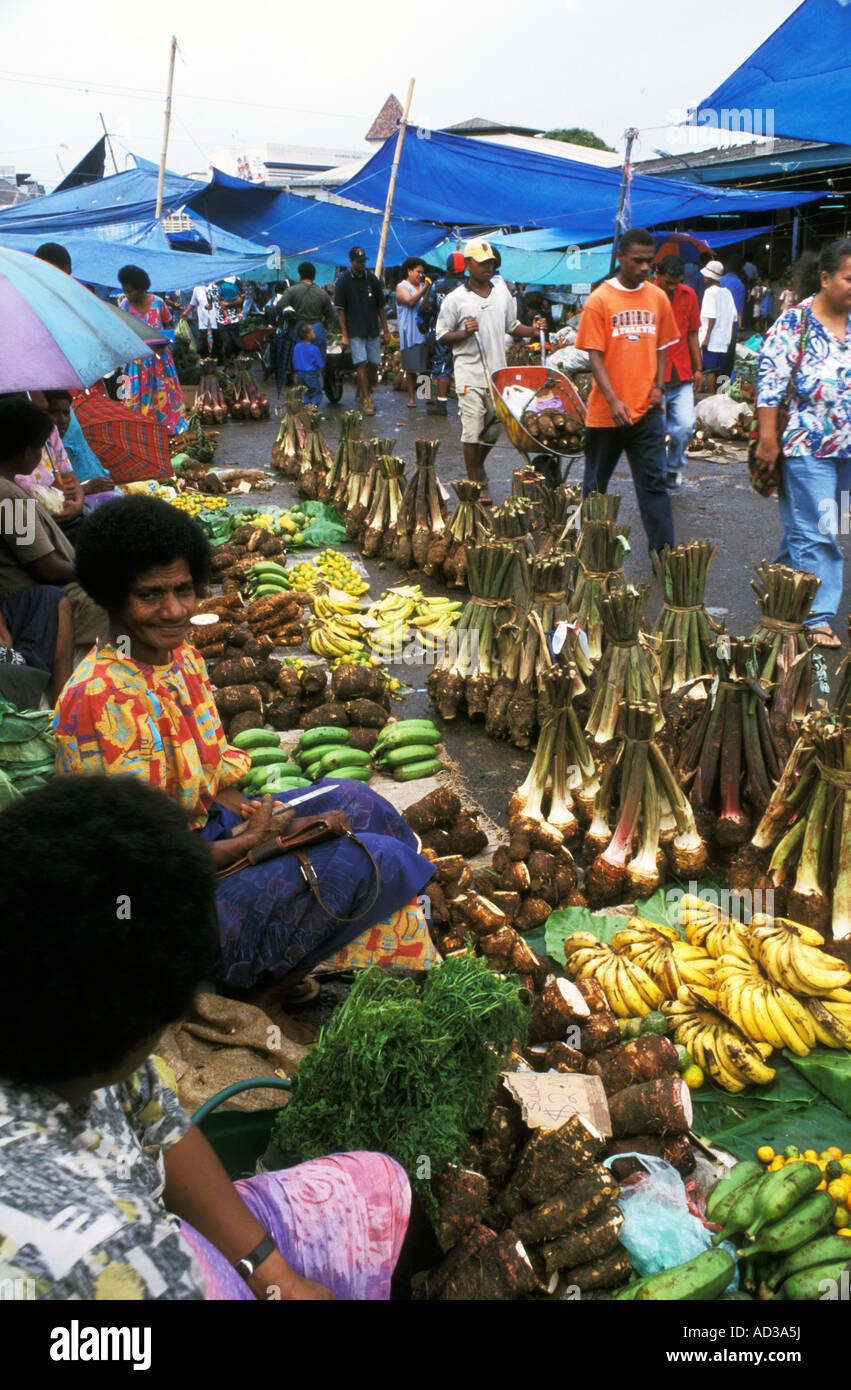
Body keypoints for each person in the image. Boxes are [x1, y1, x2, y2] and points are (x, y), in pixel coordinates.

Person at [0, 773, 411, 1300]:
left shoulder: (69, 1036)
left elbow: (159, 1124)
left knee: (379, 1182)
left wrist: (275, 1277)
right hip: (143, 1251)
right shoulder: (118, 1261)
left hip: (149, 1223)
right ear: (158, 1021)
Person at [53, 497, 438, 1016]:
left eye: (183, 589)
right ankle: (263, 998)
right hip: (157, 908)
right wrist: (254, 843)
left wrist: (247, 813)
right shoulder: (96, 698)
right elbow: (135, 869)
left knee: (359, 801)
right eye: (150, 595)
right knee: (371, 861)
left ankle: (306, 954)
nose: (174, 610)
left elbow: (211, 775)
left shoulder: (181, 657)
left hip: (207, 839)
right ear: (111, 597)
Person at [756, 240, 851, 649]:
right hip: (806, 444)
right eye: (849, 277)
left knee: (820, 526)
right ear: (826, 278)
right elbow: (770, 386)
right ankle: (817, 615)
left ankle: (778, 583)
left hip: (847, 448)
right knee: (820, 531)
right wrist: (766, 439)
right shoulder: (795, 323)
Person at [575, 227, 679, 553]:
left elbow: (663, 346)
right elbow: (595, 355)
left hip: (647, 411)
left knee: (654, 486)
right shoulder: (600, 300)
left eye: (649, 261)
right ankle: (589, 553)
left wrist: (659, 386)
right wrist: (612, 399)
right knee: (594, 488)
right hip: (607, 414)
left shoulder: (658, 297)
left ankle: (664, 559)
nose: (645, 267)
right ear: (621, 257)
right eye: (638, 261)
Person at [435, 238, 546, 500]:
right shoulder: (455, 299)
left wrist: (532, 330)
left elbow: (512, 325)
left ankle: (477, 466)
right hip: (469, 372)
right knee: (472, 429)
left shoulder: (502, 292)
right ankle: (475, 484)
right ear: (469, 265)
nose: (488, 267)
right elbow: (441, 335)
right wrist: (463, 332)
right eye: (482, 263)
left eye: (491, 263)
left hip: (498, 373)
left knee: (496, 426)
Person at [0, 398, 107, 662]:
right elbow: (45, 568)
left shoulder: (10, 490)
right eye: (38, 448)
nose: (40, 456)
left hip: (42, 590)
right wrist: (100, 572)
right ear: (26, 452)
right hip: (33, 599)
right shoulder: (9, 498)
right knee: (122, 608)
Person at [118, 265, 186, 435]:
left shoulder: (158, 302)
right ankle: (140, 432)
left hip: (160, 361)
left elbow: (169, 325)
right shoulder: (125, 306)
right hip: (135, 362)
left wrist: (164, 338)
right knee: (134, 397)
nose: (128, 295)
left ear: (141, 288)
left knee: (163, 395)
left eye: (131, 291)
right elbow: (121, 332)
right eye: (125, 291)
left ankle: (166, 430)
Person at [655, 254, 702, 493]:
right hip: (654, 377)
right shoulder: (647, 295)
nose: (673, 287)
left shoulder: (689, 295)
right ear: (658, 275)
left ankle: (673, 468)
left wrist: (698, 368)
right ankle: (655, 473)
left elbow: (693, 333)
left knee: (684, 426)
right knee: (655, 430)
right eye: (668, 282)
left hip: (682, 372)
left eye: (677, 282)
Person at [334, 247, 391, 416]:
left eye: (364, 261)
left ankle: (365, 390)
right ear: (351, 262)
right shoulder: (343, 280)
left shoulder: (372, 279)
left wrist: (386, 330)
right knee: (361, 364)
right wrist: (344, 335)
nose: (362, 264)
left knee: (374, 364)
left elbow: (381, 307)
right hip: (355, 330)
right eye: (359, 262)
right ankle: (367, 399)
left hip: (372, 329)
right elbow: (341, 310)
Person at [42, 390, 121, 511]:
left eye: (66, 413)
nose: (62, 420)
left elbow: (69, 476)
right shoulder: (34, 448)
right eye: (53, 412)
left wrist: (78, 503)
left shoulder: (55, 441)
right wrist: (86, 489)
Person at [427, 251, 465, 416]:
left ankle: (441, 403)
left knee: (443, 366)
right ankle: (465, 405)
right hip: (465, 332)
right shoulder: (468, 285)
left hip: (444, 331)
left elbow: (428, 308)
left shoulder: (438, 284)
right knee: (465, 366)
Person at [279, 262, 336, 369]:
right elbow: (330, 317)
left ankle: (300, 384)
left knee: (298, 366)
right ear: (314, 276)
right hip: (316, 330)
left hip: (297, 330)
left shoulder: (291, 291)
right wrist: (321, 324)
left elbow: (279, 307)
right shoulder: (322, 293)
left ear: (299, 275)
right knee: (317, 366)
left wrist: (287, 318)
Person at [395, 258, 432, 409]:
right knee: (410, 367)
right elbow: (410, 301)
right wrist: (425, 289)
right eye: (418, 272)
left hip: (423, 331)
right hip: (409, 332)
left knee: (425, 366)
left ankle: (426, 394)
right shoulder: (401, 287)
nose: (420, 276)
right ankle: (412, 397)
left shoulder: (424, 285)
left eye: (422, 273)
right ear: (409, 271)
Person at [698, 260, 737, 395]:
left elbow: (711, 316)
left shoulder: (710, 292)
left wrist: (706, 338)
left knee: (710, 370)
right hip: (724, 339)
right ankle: (722, 395)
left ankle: (711, 397)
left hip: (712, 339)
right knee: (722, 370)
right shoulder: (727, 293)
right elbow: (734, 318)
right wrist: (731, 337)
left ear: (709, 277)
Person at [181, 282, 220, 357]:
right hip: (203, 320)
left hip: (216, 319)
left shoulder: (216, 286)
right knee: (203, 342)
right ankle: (205, 361)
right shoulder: (197, 289)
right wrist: (186, 313)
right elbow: (193, 303)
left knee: (217, 340)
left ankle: (218, 361)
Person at [292, 323, 324, 405]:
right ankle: (312, 410)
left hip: (300, 375)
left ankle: (305, 411)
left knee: (304, 394)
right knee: (317, 394)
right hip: (311, 375)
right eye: (312, 331)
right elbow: (320, 364)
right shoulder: (314, 349)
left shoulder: (297, 346)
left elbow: (294, 361)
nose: (314, 332)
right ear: (308, 335)